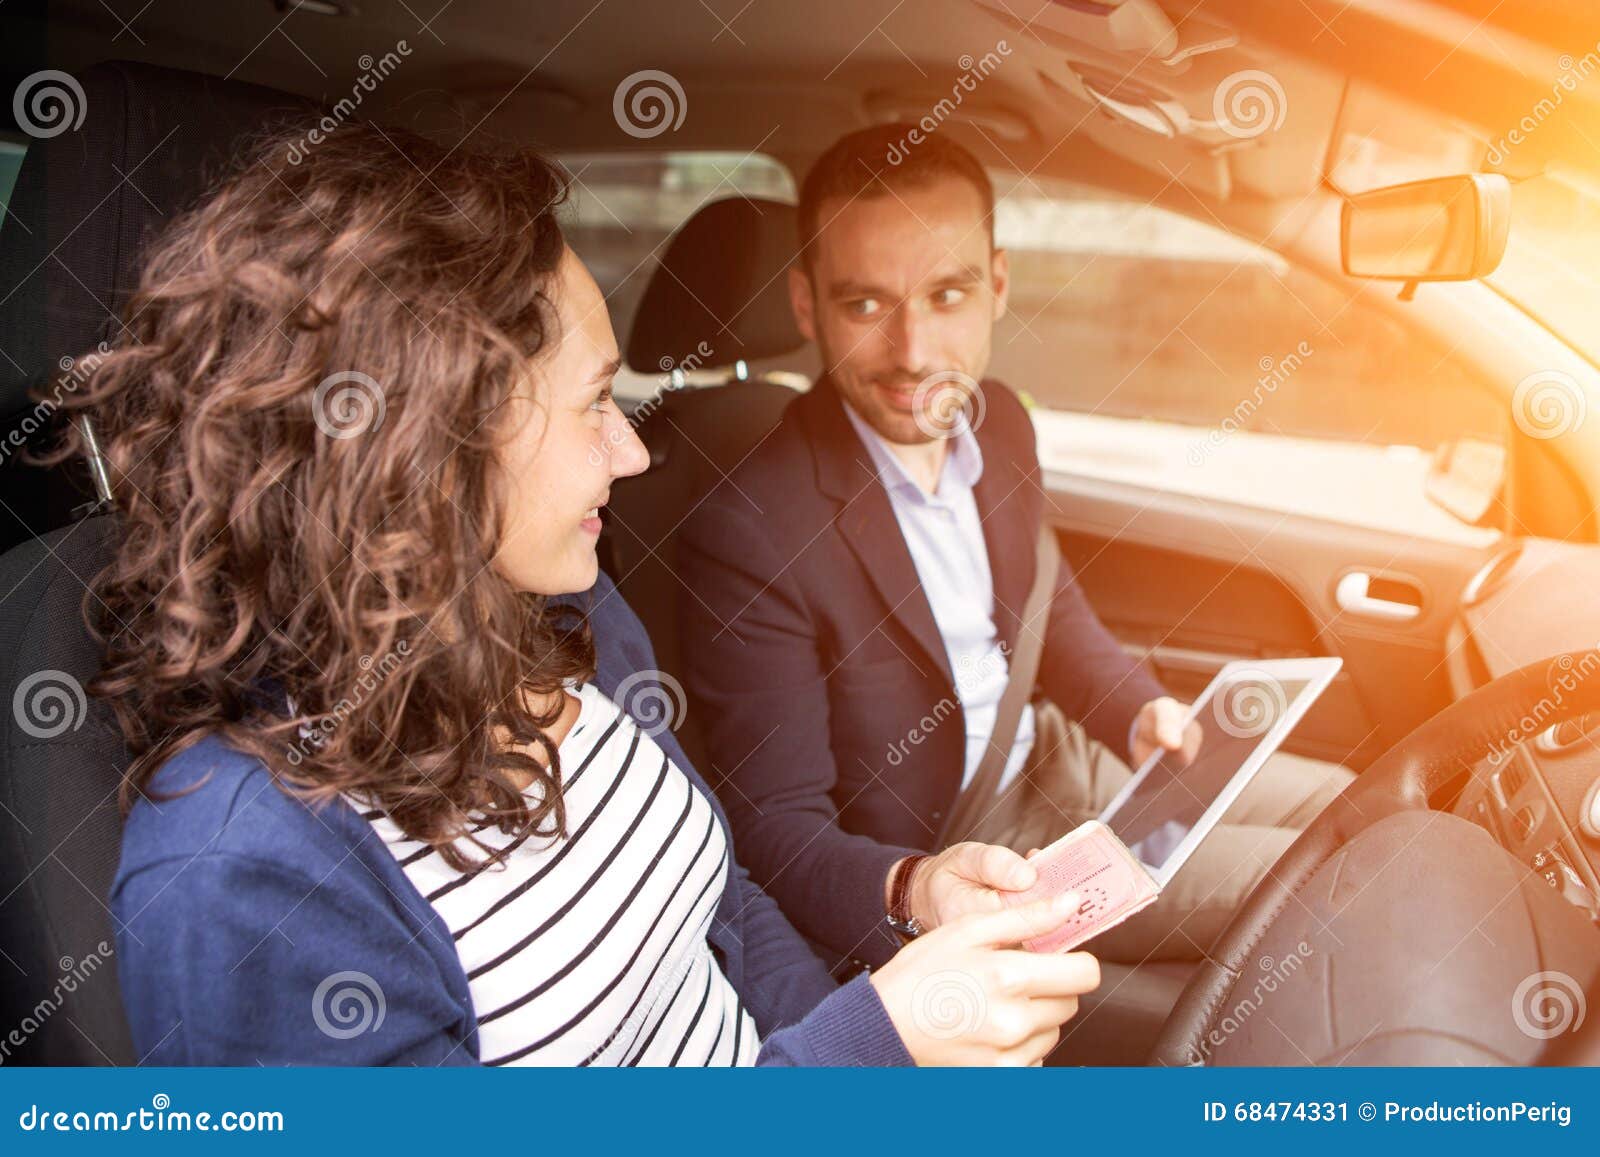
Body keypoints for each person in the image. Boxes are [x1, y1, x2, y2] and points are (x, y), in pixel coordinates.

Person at [58, 122, 1100, 1066]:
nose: (632, 452)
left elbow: (725, 908)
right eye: (595, 401)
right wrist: (873, 1048)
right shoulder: (247, 875)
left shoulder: (566, 616)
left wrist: (873, 1030)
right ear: (426, 451)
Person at [676, 124, 1355, 973]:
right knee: (1335, 875)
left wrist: (1135, 712)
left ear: (997, 284)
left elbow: (1045, 605)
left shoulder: (998, 421)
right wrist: (917, 888)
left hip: (1060, 753)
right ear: (807, 305)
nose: (913, 353)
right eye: (865, 306)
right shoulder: (751, 529)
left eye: (946, 295)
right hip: (964, 848)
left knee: (1353, 805)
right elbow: (775, 829)